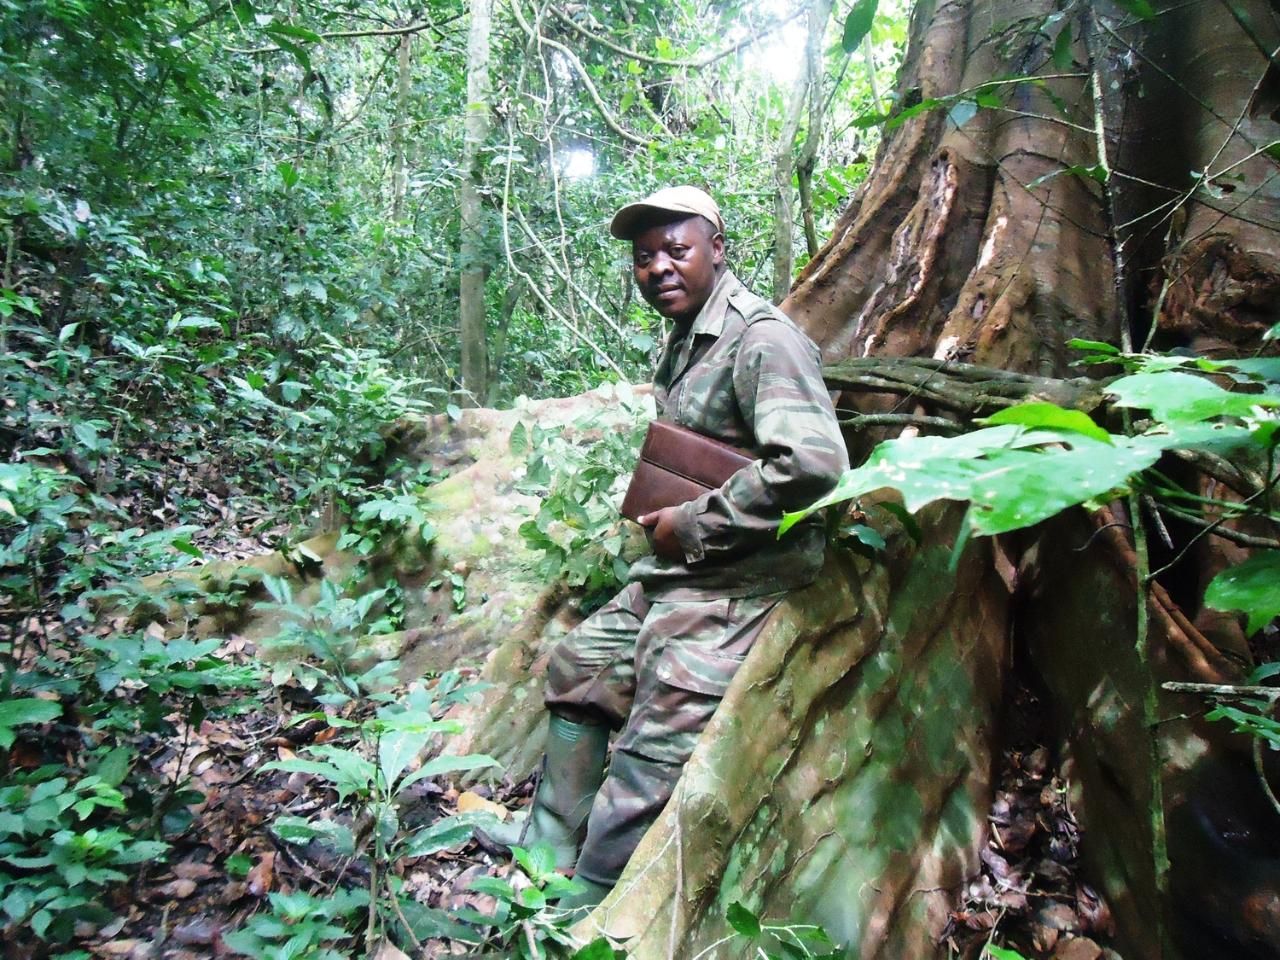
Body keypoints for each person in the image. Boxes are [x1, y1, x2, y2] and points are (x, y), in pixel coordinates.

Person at [486, 185, 849, 909]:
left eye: (676, 250)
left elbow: (814, 466)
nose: (658, 268)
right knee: (579, 663)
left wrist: (696, 522)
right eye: (644, 257)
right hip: (683, 570)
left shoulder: (760, 338)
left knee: (660, 726)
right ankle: (551, 845)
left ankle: (592, 896)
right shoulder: (688, 335)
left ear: (717, 247)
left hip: (743, 580)